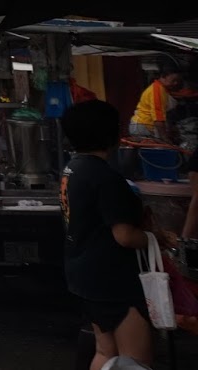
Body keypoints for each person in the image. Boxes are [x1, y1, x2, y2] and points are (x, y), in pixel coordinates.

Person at [61, 99, 154, 370]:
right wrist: (156, 239)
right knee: (134, 361)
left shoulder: (72, 169)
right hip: (113, 281)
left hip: (83, 274)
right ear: (110, 134)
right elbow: (124, 236)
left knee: (106, 352)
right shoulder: (105, 177)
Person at [129, 68, 182, 141]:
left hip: (145, 127)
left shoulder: (162, 89)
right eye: (173, 80)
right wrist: (165, 138)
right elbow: (158, 116)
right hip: (144, 126)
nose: (175, 83)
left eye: (177, 81)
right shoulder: (157, 90)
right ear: (163, 77)